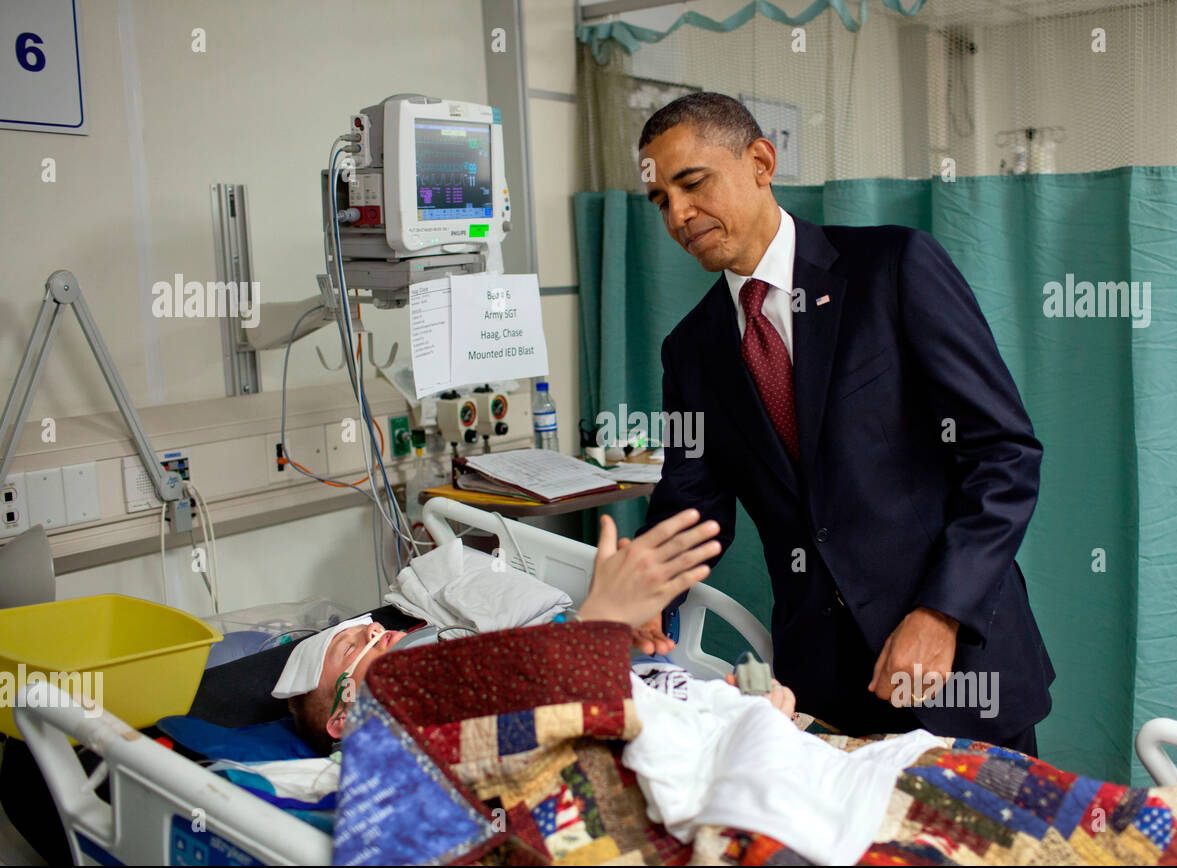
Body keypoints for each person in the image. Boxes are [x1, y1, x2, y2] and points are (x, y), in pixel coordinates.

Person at [635, 92, 1055, 754]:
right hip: (825, 686)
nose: (679, 214)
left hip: (958, 666)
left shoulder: (893, 270)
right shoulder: (691, 351)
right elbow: (689, 503)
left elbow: (1003, 453)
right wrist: (643, 599)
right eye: (662, 201)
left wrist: (942, 613)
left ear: (761, 161)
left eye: (692, 183)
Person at [285, 508, 795, 753]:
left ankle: (742, 719)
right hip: (612, 737)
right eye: (350, 644)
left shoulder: (433, 654)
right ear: (341, 717)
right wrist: (599, 624)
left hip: (651, 705)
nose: (372, 627)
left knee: (761, 706)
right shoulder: (392, 727)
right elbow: (525, 723)